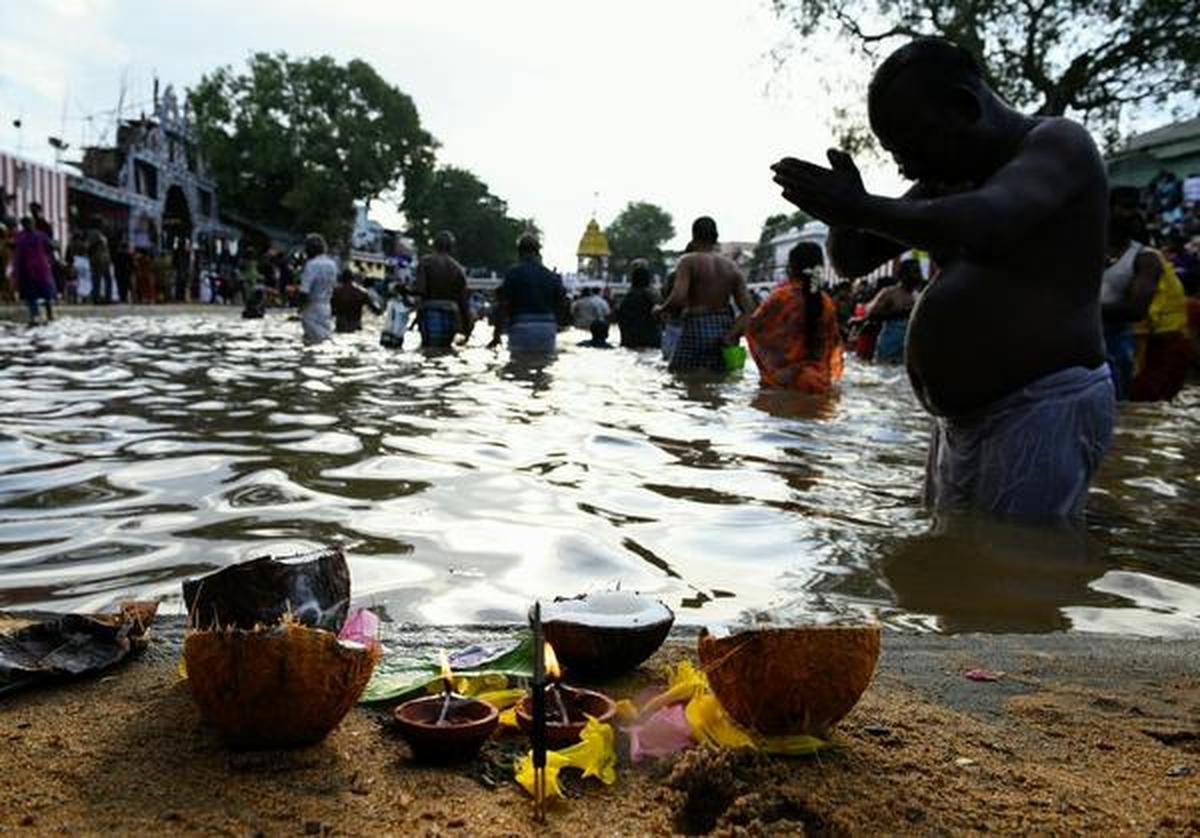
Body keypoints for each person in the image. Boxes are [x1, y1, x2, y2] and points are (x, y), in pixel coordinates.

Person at [772, 36, 1113, 520]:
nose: (906, 168)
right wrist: (840, 212)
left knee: (1019, 559)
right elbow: (855, 258)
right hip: (960, 420)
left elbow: (989, 220)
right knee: (954, 552)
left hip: (1042, 404)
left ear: (963, 108)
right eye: (895, 154)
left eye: (912, 147)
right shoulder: (949, 173)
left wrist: (860, 208)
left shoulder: (1059, 143)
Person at [654, 217, 754, 372]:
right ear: (716, 237)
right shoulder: (732, 266)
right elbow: (749, 311)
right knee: (718, 380)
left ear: (694, 236)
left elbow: (678, 297)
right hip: (724, 329)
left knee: (680, 377)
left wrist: (660, 309)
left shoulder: (688, 261)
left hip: (696, 327)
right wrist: (731, 335)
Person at [746, 241, 844, 392]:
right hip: (819, 382)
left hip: (785, 382)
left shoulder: (781, 297)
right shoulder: (826, 303)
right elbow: (834, 343)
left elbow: (754, 330)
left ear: (791, 266)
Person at [1101, 188, 1160, 400]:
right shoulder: (1082, 248)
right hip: (1076, 339)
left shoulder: (1146, 258)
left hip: (1115, 343)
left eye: (1136, 208)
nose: (1133, 214)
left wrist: (1075, 311)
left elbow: (1136, 310)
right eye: (1126, 207)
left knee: (1117, 408)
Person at [490, 233, 566, 354]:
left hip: (521, 327)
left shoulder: (512, 274)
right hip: (547, 329)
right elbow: (562, 305)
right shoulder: (552, 277)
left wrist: (496, 336)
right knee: (544, 363)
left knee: (519, 363)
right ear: (538, 252)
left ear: (519, 252)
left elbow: (502, 306)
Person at [412, 231, 472, 347]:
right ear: (451, 248)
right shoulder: (457, 268)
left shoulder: (425, 262)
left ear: (434, 245)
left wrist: (404, 290)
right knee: (445, 349)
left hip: (430, 311)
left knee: (429, 349)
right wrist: (467, 329)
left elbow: (421, 290)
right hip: (451, 313)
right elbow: (463, 302)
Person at [866, 258, 921, 363]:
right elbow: (872, 315)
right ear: (903, 274)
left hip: (908, 345)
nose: (917, 276)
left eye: (918, 272)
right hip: (889, 344)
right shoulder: (889, 293)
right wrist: (901, 313)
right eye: (914, 272)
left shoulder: (917, 295)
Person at [13, 217, 56, 325]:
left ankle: (36, 316)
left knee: (32, 295)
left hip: (29, 269)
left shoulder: (21, 237)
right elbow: (51, 247)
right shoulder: (40, 235)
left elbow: (18, 255)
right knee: (44, 293)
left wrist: (17, 272)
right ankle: (48, 315)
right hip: (40, 268)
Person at [298, 233, 338, 344]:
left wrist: (299, 308)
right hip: (327, 307)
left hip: (312, 307)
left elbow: (304, 291)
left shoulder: (311, 265)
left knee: (311, 340)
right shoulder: (332, 264)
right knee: (324, 337)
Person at [615, 262, 661, 348]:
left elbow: (620, 319)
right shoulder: (652, 297)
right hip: (651, 340)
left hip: (629, 340)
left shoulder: (627, 298)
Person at [87, 227, 114, 303]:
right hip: (102, 261)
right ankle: (106, 297)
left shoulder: (94, 238)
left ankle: (97, 297)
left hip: (98, 261)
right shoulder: (102, 238)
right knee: (105, 280)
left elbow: (89, 251)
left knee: (97, 280)